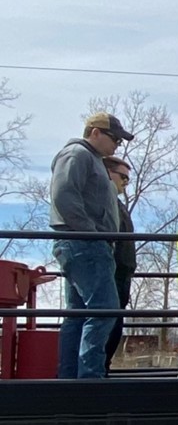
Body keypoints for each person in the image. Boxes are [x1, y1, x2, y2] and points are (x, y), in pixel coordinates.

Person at [50, 112, 134, 378]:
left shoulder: (90, 159)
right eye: (114, 139)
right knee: (105, 309)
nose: (116, 146)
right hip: (84, 245)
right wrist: (94, 233)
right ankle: (89, 379)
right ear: (95, 132)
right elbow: (64, 195)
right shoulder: (77, 155)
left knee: (78, 314)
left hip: (84, 244)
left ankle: (72, 379)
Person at [101, 156, 136, 373]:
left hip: (122, 271)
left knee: (115, 324)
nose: (125, 182)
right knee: (106, 323)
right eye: (122, 177)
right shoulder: (103, 200)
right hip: (110, 271)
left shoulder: (118, 203)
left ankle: (103, 368)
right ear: (107, 173)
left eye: (128, 179)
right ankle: (97, 371)